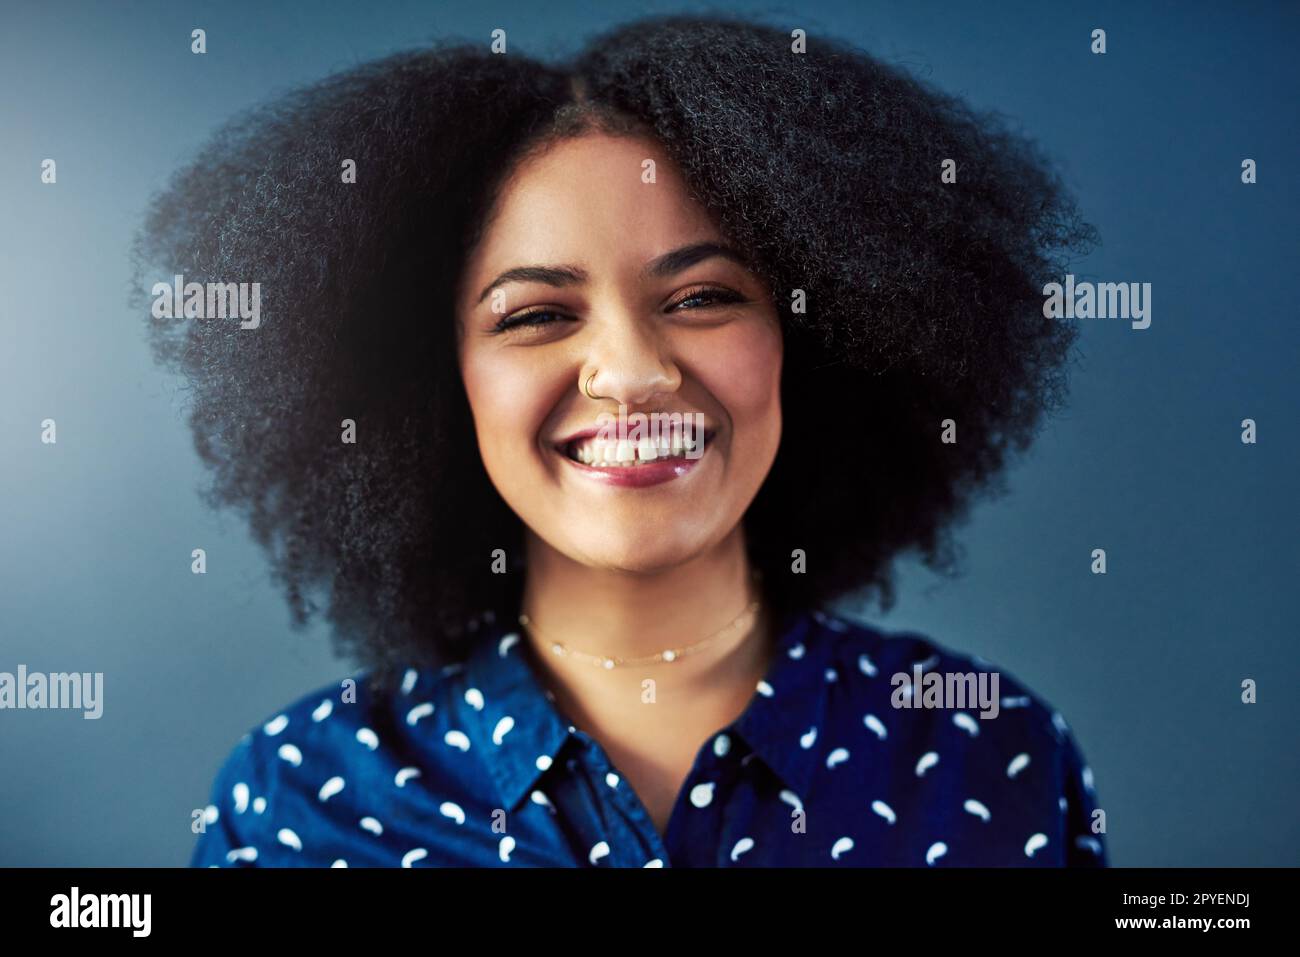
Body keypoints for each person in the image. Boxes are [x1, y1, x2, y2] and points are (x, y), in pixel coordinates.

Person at [138, 15, 1105, 867]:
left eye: (702, 297)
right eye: (535, 315)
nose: (633, 370)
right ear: (439, 385)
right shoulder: (300, 802)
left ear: (814, 341)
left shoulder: (989, 748)